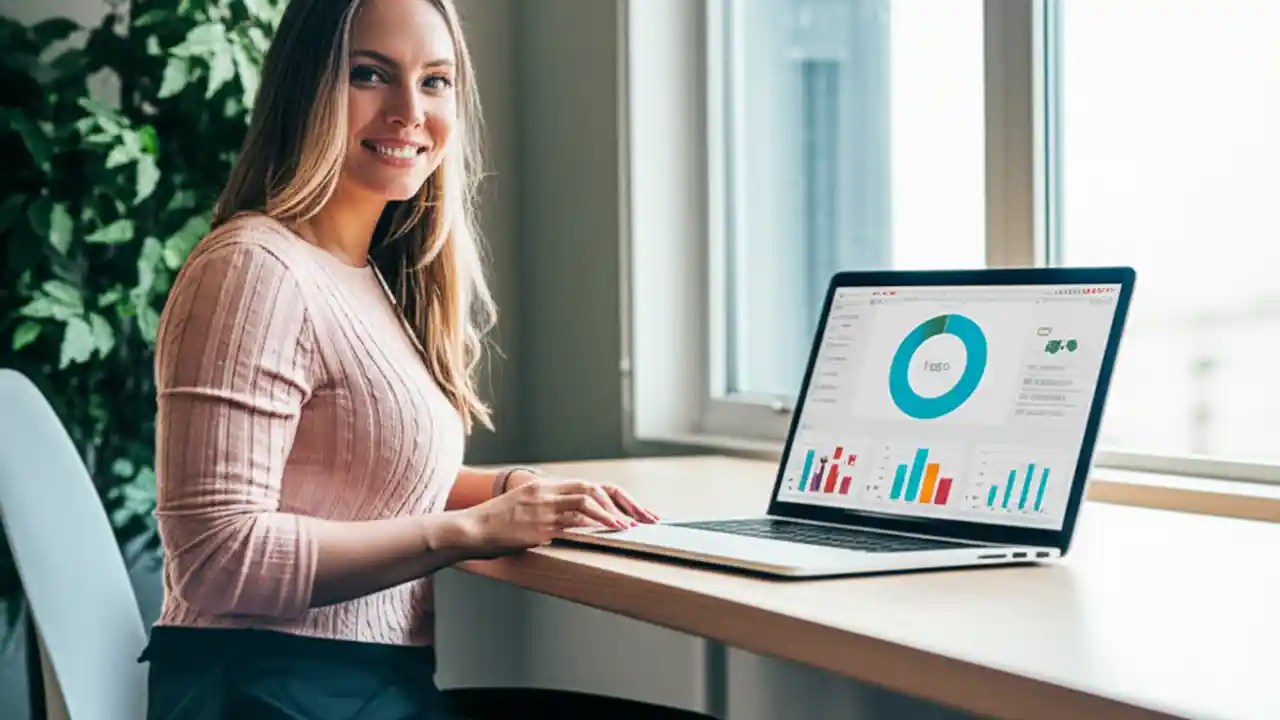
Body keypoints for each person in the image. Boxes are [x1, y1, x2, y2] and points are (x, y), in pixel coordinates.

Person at [140, 0, 658, 716]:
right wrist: (469, 532)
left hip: (355, 685)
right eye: (369, 74)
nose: (410, 110)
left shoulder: (364, 275)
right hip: (267, 689)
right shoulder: (254, 269)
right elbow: (218, 561)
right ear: (306, 89)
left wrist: (515, 489)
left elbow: (365, 478)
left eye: (435, 80)